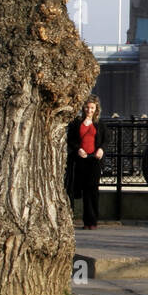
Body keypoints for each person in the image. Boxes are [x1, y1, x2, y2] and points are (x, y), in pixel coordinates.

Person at [65, 97, 106, 229]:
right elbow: (70, 139)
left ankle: (91, 221)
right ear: (83, 108)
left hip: (94, 160)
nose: (89, 110)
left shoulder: (99, 124)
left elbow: (106, 139)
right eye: (87, 108)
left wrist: (101, 149)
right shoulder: (77, 123)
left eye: (92, 108)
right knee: (79, 189)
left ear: (96, 109)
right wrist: (78, 149)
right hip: (80, 159)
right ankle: (75, 218)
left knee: (92, 190)